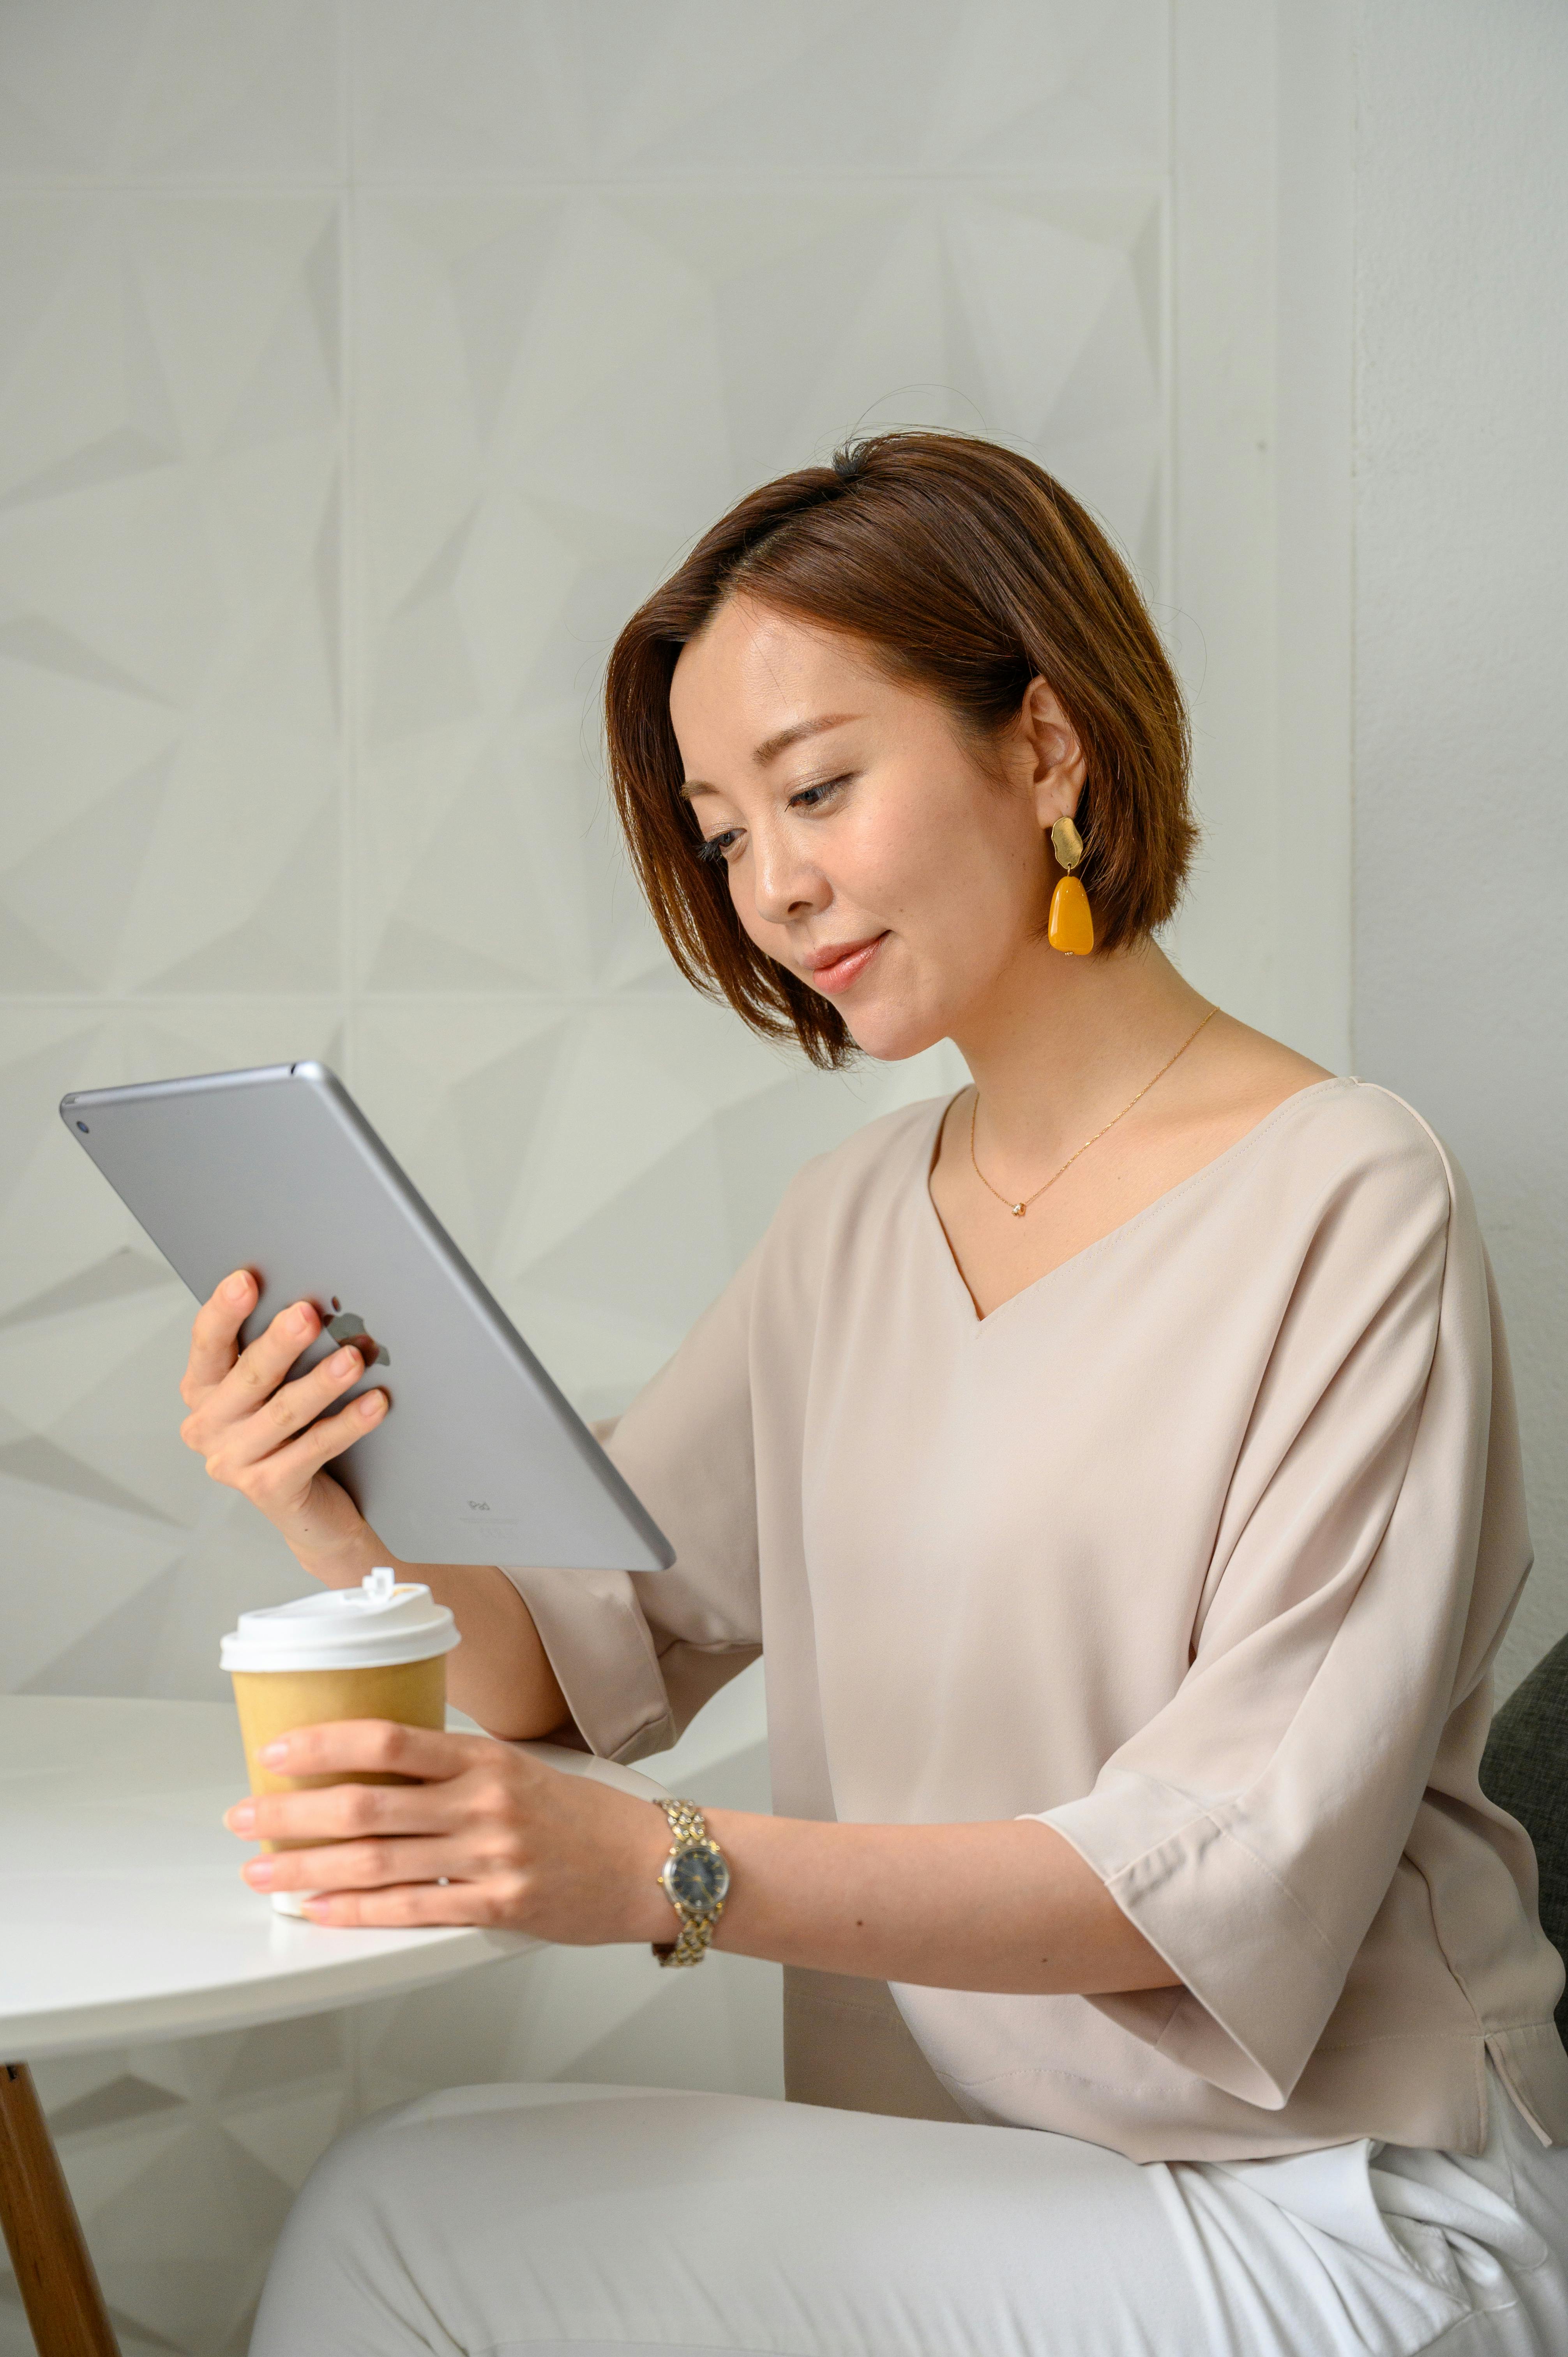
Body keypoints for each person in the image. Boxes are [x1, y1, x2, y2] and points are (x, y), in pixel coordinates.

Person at [180, 435, 1568, 2354]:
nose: (773, 884)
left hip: (1333, 2209)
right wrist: (327, 1512)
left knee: (398, 2219)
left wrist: (667, 1870)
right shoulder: (848, 1230)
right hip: (991, 2185)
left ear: (1047, 747)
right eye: (727, 831)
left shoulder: (1349, 1196)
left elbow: (1220, 1872)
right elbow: (571, 1656)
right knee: (413, 2198)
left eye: (819, 786)